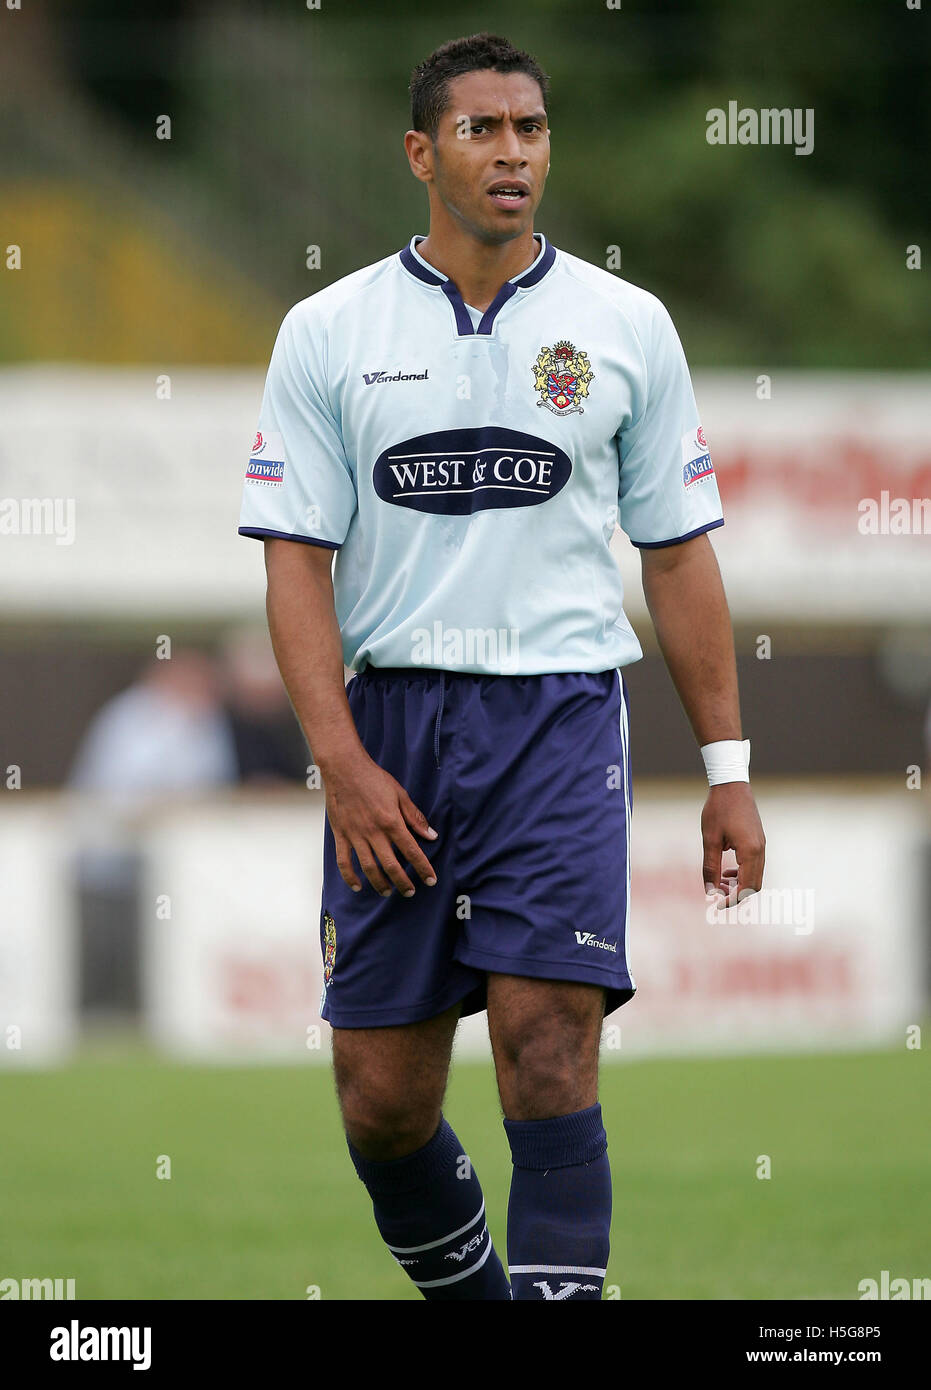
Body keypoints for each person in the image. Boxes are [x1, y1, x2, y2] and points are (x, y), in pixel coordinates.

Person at [238, 32, 765, 1301]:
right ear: (423, 153)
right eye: (482, 130)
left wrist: (729, 769)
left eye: (529, 128)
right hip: (393, 728)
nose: (513, 151)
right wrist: (342, 764)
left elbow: (680, 557)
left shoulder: (624, 325)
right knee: (380, 1104)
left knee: (547, 1046)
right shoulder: (329, 330)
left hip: (558, 719)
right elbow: (295, 563)